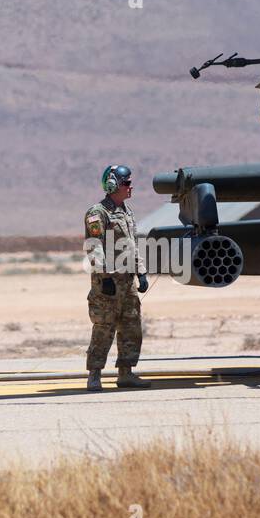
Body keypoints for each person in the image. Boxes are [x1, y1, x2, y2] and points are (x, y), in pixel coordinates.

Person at [83, 164, 149, 391]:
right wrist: (104, 275)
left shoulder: (127, 211)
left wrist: (141, 271)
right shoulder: (98, 213)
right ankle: (94, 374)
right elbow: (93, 246)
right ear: (113, 185)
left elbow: (132, 245)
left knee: (131, 326)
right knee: (104, 326)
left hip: (127, 281)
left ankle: (126, 372)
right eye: (126, 183)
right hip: (107, 283)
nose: (130, 187)